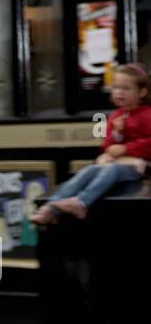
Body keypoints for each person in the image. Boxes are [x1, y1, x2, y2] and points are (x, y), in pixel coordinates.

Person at [31, 63, 151, 224]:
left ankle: (81, 202)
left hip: (137, 168)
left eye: (126, 88)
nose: (119, 92)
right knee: (88, 171)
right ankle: (49, 208)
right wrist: (117, 134)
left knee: (111, 169)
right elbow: (106, 145)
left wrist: (125, 148)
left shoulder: (147, 114)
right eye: (116, 87)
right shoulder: (115, 116)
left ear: (142, 92)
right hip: (118, 162)